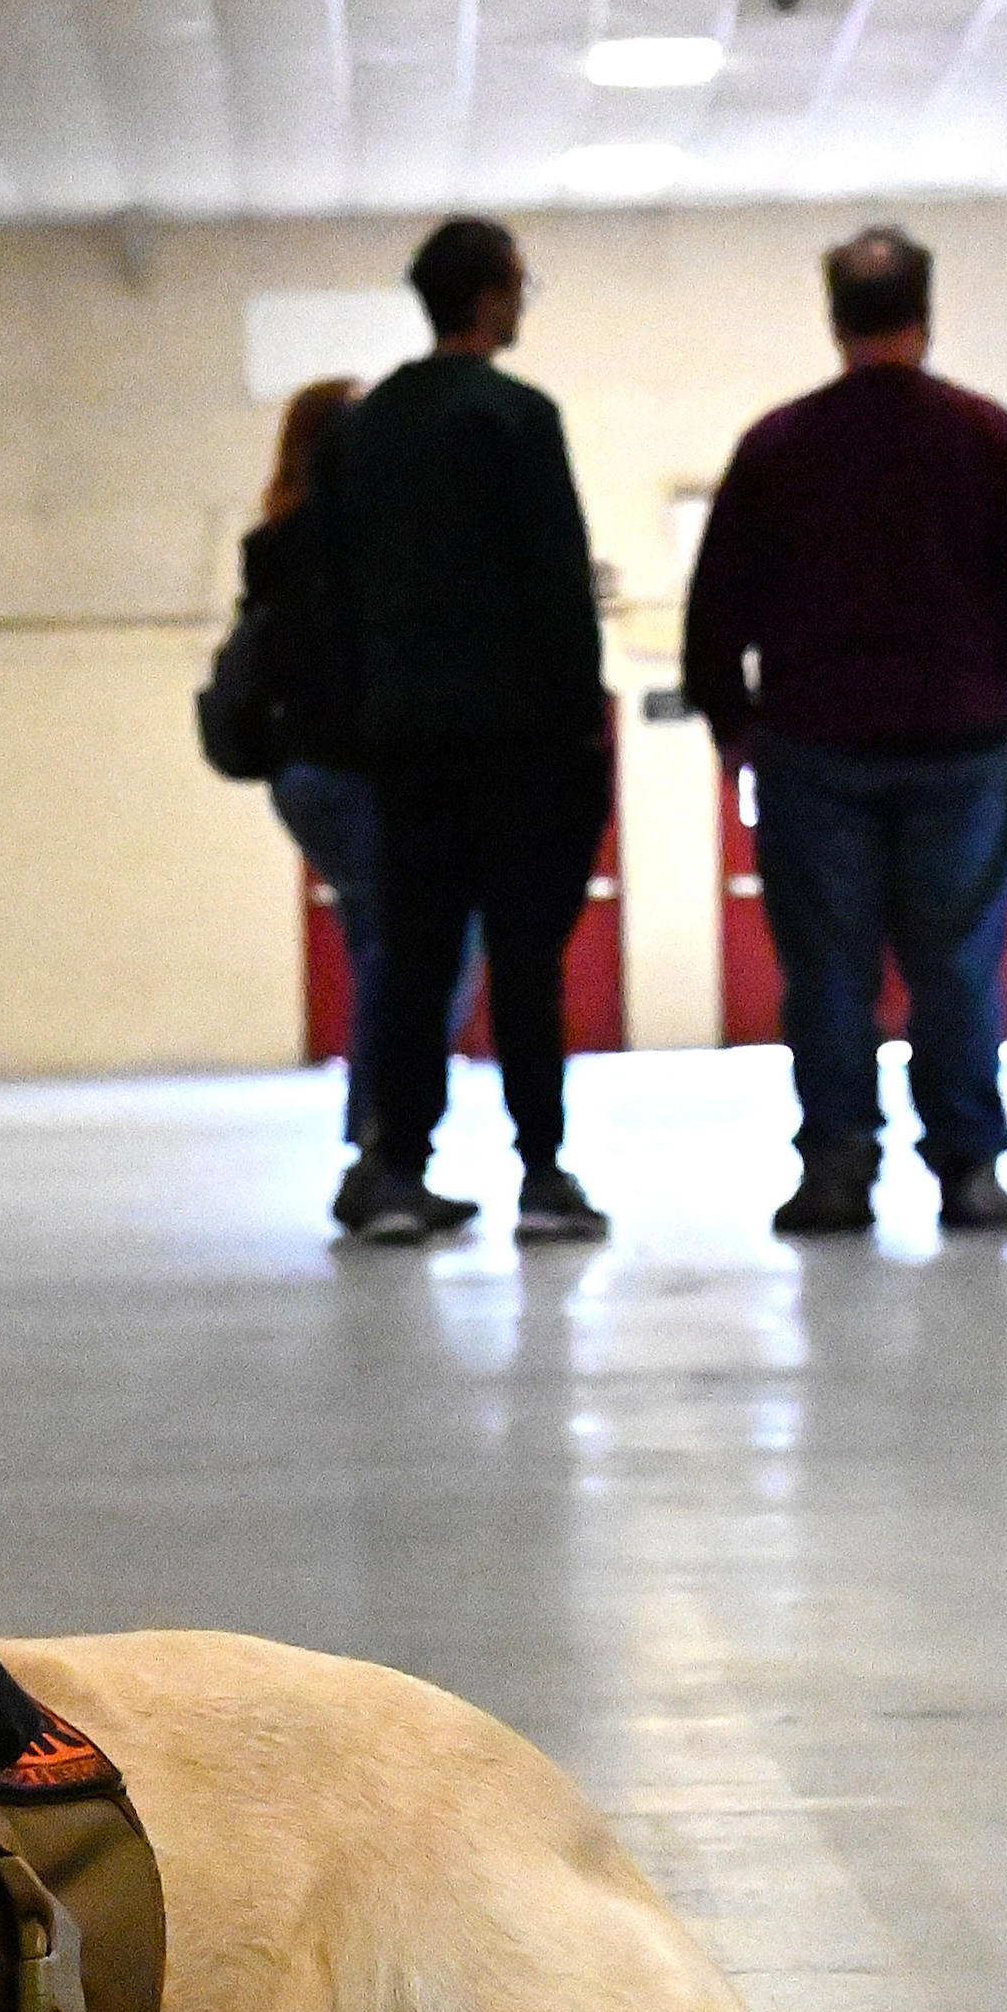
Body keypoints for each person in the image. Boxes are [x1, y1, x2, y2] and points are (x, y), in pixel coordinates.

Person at [684, 224, 1007, 1240]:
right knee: (954, 969)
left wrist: (735, 725)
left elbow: (716, 599)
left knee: (826, 970)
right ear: (927, 311)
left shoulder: (777, 444)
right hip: (959, 742)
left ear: (832, 320)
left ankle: (835, 1167)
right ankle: (966, 1169)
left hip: (814, 746)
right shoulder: (987, 436)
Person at [313, 215, 614, 1249]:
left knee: (413, 955)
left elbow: (336, 591)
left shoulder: (366, 427)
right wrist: (582, 716)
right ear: (488, 296)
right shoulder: (516, 417)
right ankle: (542, 1172)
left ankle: (399, 1168)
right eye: (521, 284)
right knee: (526, 955)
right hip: (519, 737)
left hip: (405, 740)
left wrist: (366, 716)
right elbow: (554, 578)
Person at [237, 379, 399, 1175]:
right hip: (354, 768)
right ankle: (380, 1141)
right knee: (405, 953)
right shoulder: (360, 539)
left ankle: (378, 1132)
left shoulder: (272, 538)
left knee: (377, 944)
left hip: (298, 774)